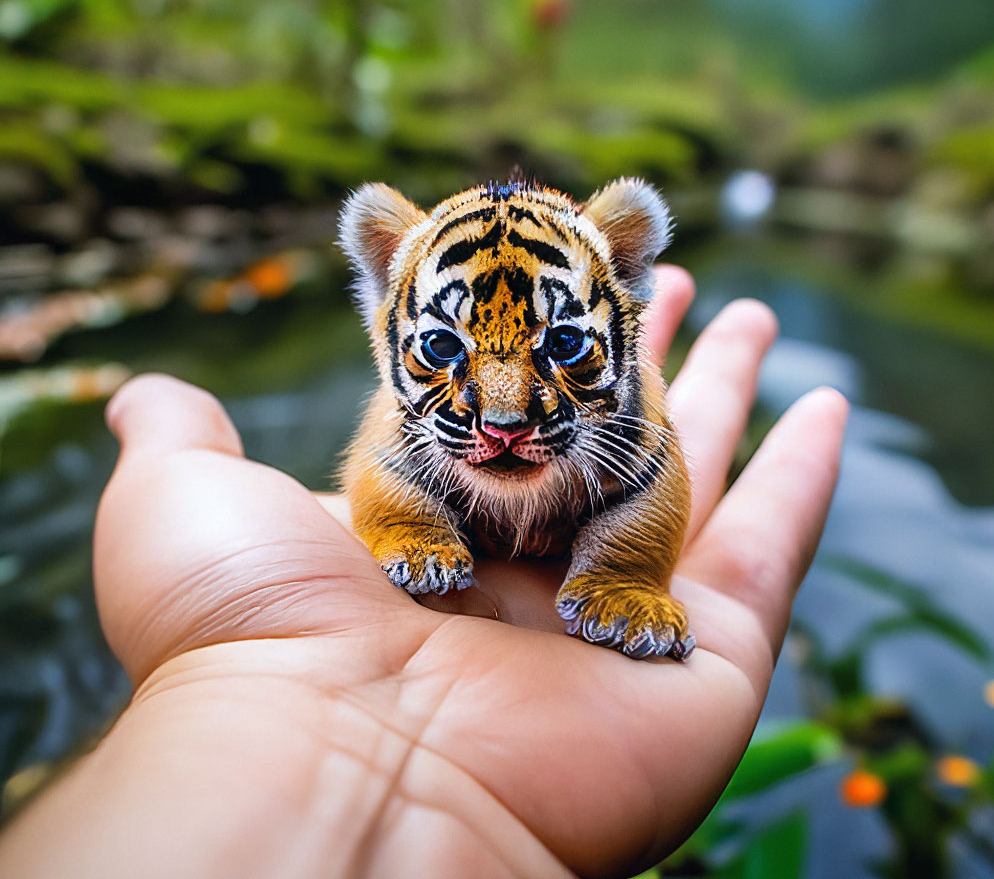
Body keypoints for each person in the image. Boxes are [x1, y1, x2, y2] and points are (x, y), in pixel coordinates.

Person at [0, 266, 848, 879]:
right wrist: (397, 529)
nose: (507, 409)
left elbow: (657, 483)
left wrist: (624, 572)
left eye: (564, 347)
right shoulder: (402, 426)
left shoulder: (632, 423)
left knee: (654, 469)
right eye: (440, 347)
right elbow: (380, 472)